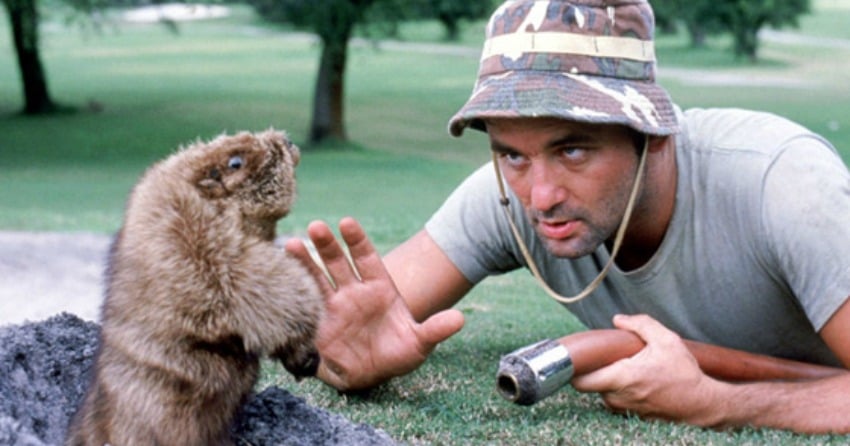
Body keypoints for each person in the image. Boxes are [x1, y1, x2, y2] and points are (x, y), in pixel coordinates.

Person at [285, 0, 850, 434]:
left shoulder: (782, 183)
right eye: (512, 153)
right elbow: (367, 320)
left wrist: (720, 404)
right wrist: (336, 357)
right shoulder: (510, 193)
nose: (541, 194)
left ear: (650, 133)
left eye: (572, 149)